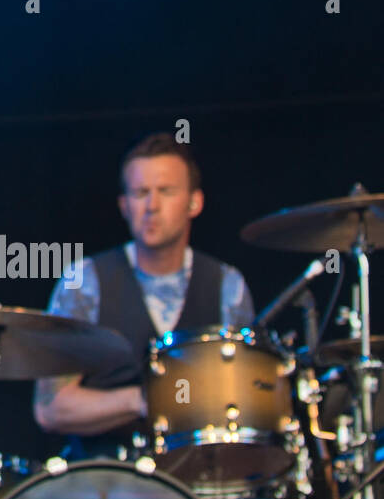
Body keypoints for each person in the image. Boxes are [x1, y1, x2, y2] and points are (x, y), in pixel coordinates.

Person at [33, 133, 254, 451]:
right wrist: (141, 400)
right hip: (103, 482)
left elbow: (245, 400)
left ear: (195, 202)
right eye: (140, 193)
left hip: (198, 478)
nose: (151, 205)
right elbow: (50, 408)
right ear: (124, 206)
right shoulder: (84, 282)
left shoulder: (227, 286)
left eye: (165, 191)